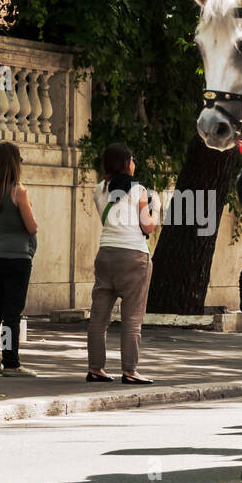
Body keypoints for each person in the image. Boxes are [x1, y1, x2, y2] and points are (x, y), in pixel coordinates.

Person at [89, 142, 156, 384]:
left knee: (98, 317)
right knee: (132, 318)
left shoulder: (98, 190)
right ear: (126, 163)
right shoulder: (138, 190)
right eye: (132, 159)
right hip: (133, 256)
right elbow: (146, 225)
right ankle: (130, 371)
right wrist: (155, 214)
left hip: (105, 254)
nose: (134, 163)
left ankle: (95, 368)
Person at [0, 142, 39, 376]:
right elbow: (32, 226)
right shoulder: (19, 191)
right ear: (14, 164)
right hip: (17, 257)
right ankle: (11, 361)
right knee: (12, 311)